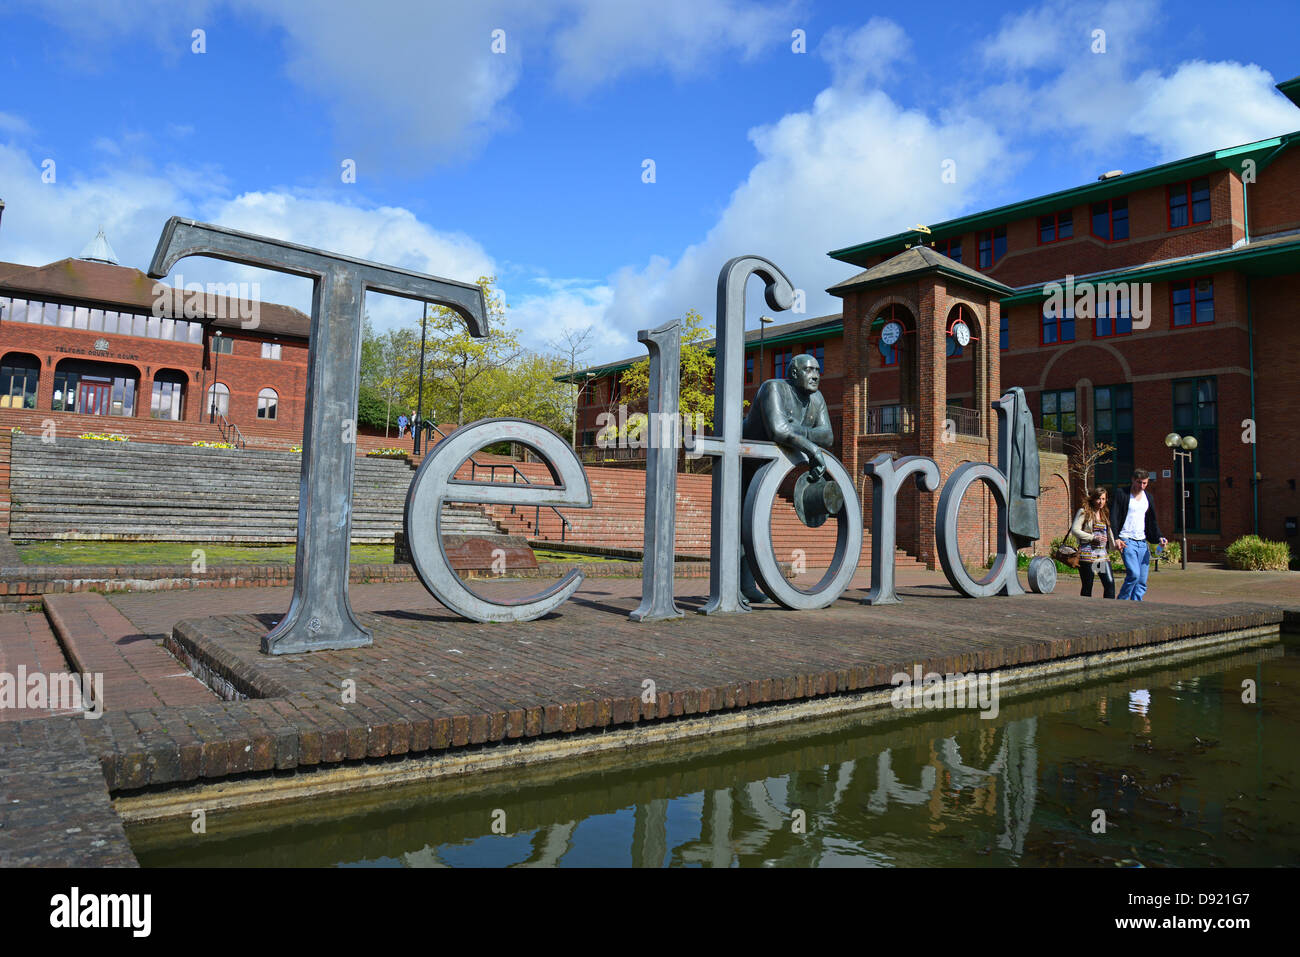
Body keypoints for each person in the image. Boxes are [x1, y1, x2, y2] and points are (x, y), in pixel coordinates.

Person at [1111, 469, 1168, 601]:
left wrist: (1159, 537)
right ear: (1133, 480)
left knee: (1142, 581)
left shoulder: (1148, 497)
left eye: (1144, 483)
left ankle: (1136, 605)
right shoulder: (1122, 494)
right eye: (1139, 482)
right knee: (1134, 574)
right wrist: (1116, 538)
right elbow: (1114, 516)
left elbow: (1151, 521)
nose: (1141, 486)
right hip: (1127, 539)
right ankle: (1122, 602)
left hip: (1142, 542)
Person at [1071, 487, 1116, 598]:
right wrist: (1092, 538)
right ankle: (1086, 611)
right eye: (1098, 499)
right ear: (1093, 499)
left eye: (1103, 499)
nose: (1101, 502)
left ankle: (1108, 609)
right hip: (1087, 554)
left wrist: (1116, 545)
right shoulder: (1084, 512)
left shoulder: (1104, 513)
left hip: (1101, 555)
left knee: (1109, 583)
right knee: (1088, 586)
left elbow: (1108, 533)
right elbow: (1075, 530)